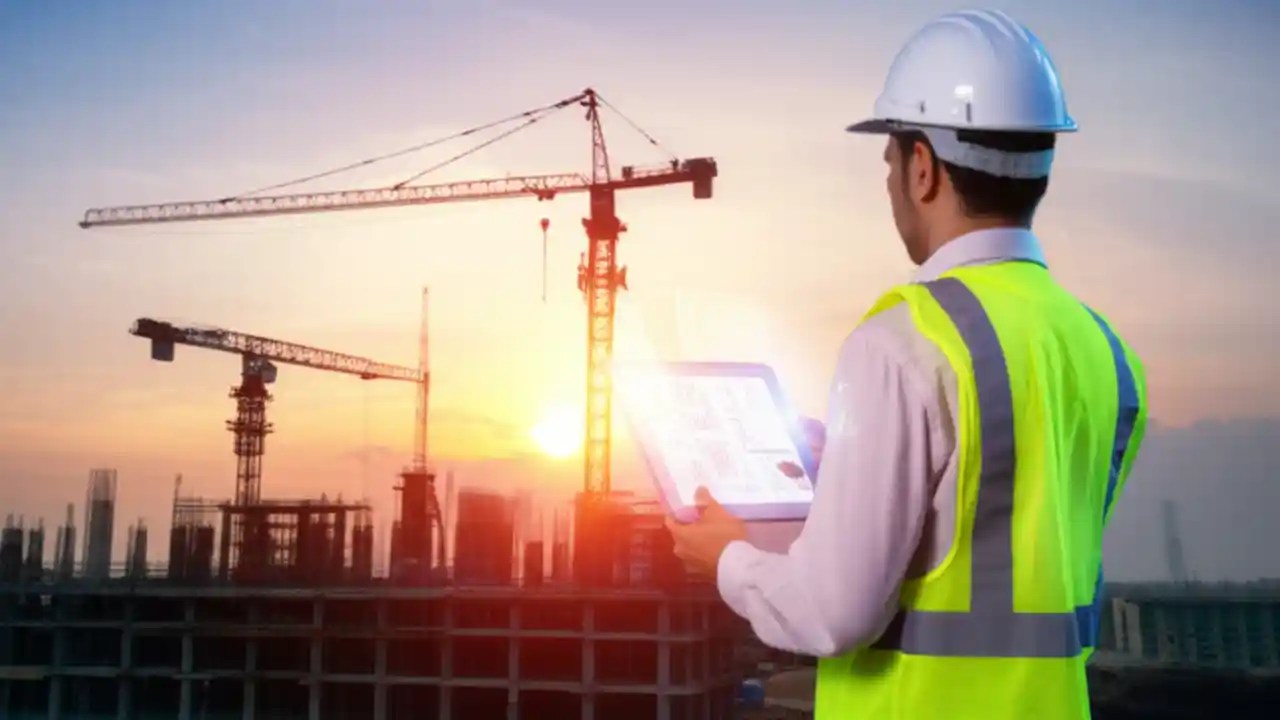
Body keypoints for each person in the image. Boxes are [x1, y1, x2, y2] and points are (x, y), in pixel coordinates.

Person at [666, 9, 1148, 719]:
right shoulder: (1106, 351)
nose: (890, 180)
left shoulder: (902, 342)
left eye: (889, 159)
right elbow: (1001, 529)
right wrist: (858, 461)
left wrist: (728, 559)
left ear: (922, 166)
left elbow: (833, 613)